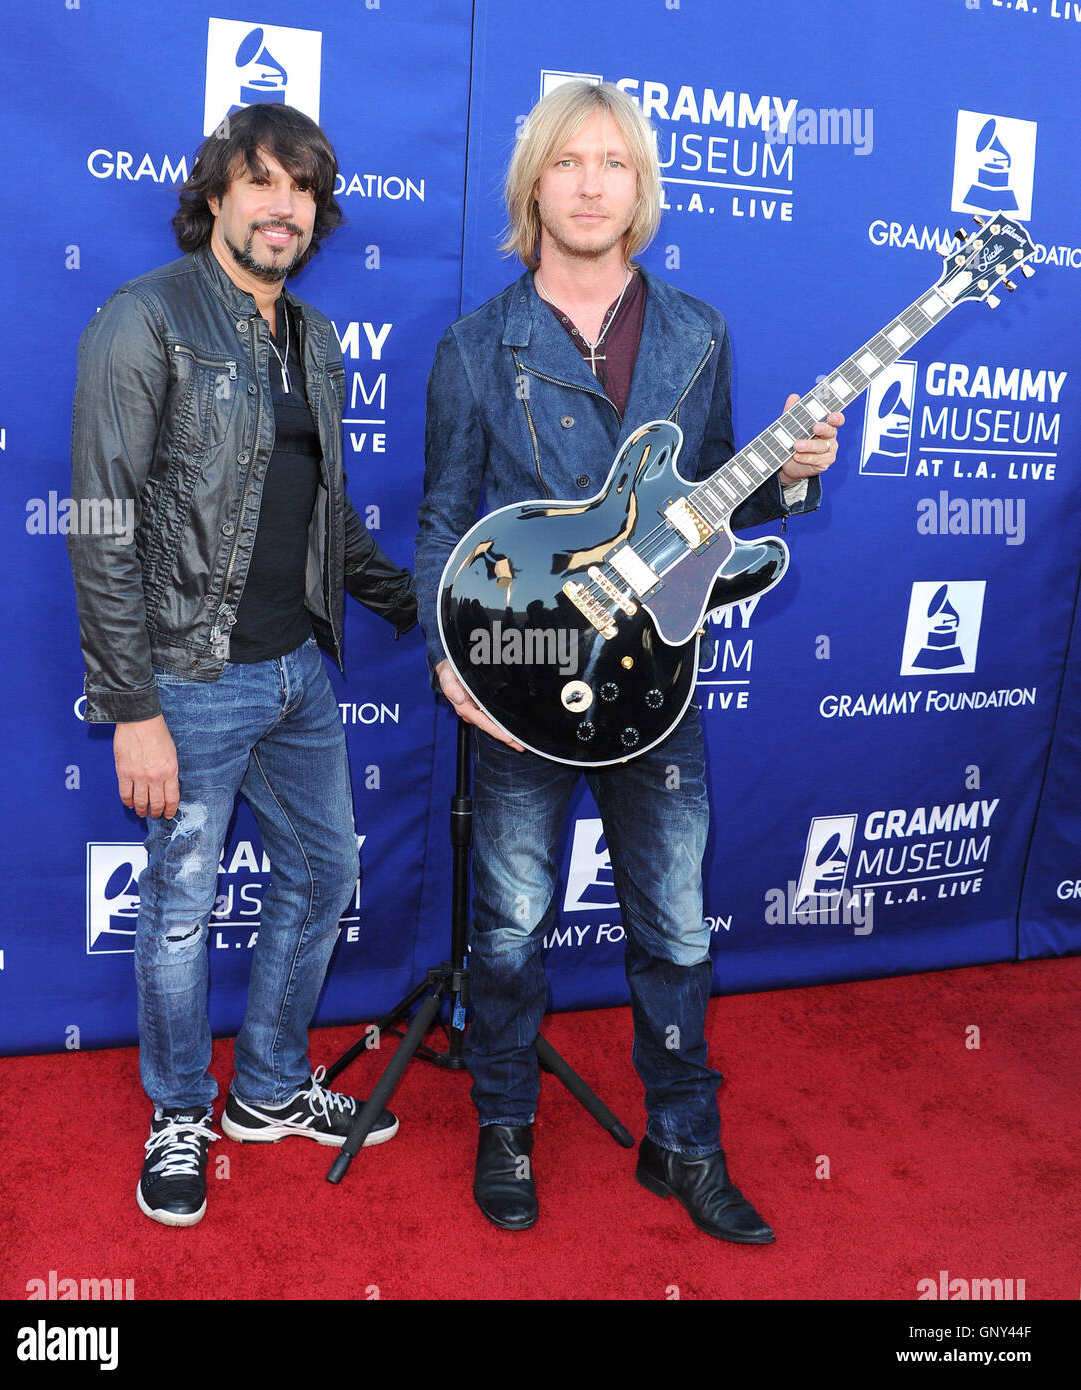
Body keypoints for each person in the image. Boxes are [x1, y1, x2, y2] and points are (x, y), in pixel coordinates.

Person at [414, 81, 842, 1240]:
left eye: (612, 162)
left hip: (656, 680)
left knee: (677, 928)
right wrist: (453, 660)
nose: (591, 183)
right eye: (568, 162)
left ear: (640, 185)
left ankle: (682, 1142)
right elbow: (443, 519)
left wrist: (790, 475)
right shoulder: (475, 346)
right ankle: (506, 1122)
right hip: (522, 675)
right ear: (534, 186)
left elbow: (715, 506)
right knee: (510, 926)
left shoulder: (698, 333)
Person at [69, 104, 418, 1227]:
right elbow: (100, 523)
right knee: (180, 908)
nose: (284, 207)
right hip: (187, 677)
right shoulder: (146, 317)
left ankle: (267, 1086)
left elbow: (328, 517)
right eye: (262, 181)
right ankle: (181, 1110)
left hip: (299, 672)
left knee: (324, 873)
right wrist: (131, 706)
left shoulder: (312, 336)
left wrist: (433, 608)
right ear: (215, 194)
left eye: (303, 189)